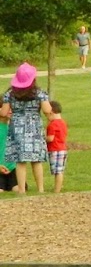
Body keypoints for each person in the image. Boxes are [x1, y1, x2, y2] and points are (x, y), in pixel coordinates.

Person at [1, 64, 49, 195]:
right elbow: (47, 110)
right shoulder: (39, 93)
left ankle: (21, 189)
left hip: (16, 127)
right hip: (34, 127)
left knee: (20, 160)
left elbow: (4, 112)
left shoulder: (10, 94)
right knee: (36, 160)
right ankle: (40, 189)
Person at [45, 100, 67, 192]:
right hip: (62, 148)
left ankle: (57, 190)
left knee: (57, 171)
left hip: (55, 149)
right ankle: (57, 187)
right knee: (60, 170)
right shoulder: (63, 123)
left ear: (51, 112)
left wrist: (42, 137)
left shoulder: (53, 125)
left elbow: (50, 138)